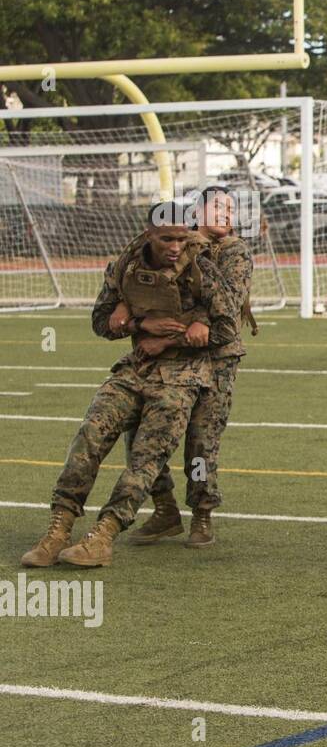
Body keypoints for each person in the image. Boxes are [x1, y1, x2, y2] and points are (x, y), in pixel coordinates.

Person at [21, 201, 236, 568]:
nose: (175, 247)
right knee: (90, 434)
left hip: (184, 378)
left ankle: (103, 534)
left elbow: (227, 328)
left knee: (146, 457)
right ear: (148, 234)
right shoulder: (126, 265)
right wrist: (137, 326)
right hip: (136, 369)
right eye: (166, 238)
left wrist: (180, 335)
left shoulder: (204, 268)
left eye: (182, 240)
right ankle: (58, 528)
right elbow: (101, 322)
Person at [126, 185, 256, 547]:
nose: (227, 213)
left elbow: (226, 308)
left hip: (216, 356)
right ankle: (164, 508)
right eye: (218, 207)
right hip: (171, 359)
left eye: (231, 208)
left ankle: (201, 513)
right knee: (141, 432)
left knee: (201, 439)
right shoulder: (176, 245)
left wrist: (169, 333)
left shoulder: (235, 251)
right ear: (196, 212)